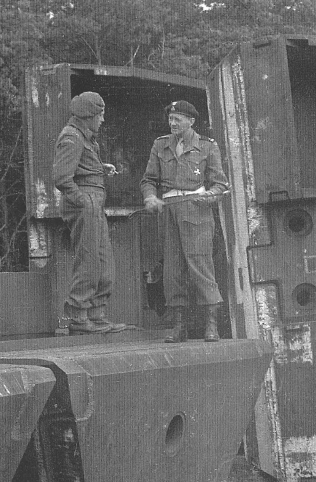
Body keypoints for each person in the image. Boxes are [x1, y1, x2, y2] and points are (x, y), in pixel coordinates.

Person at [140, 100, 229, 343]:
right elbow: (148, 179)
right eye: (170, 118)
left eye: (178, 118)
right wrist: (150, 197)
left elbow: (220, 183)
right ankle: (179, 327)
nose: (172, 122)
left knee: (200, 265)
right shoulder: (160, 145)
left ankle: (211, 325)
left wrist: (211, 195)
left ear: (191, 121)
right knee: (172, 270)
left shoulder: (207, 147)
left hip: (196, 211)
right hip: (169, 211)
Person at [53, 91, 131, 335]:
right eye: (100, 114)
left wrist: (99, 168)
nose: (103, 120)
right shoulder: (72, 137)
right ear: (88, 115)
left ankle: (96, 315)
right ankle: (76, 316)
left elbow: (79, 170)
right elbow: (61, 178)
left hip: (92, 203)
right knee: (89, 261)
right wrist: (83, 202)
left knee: (103, 262)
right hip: (85, 204)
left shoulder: (84, 137)